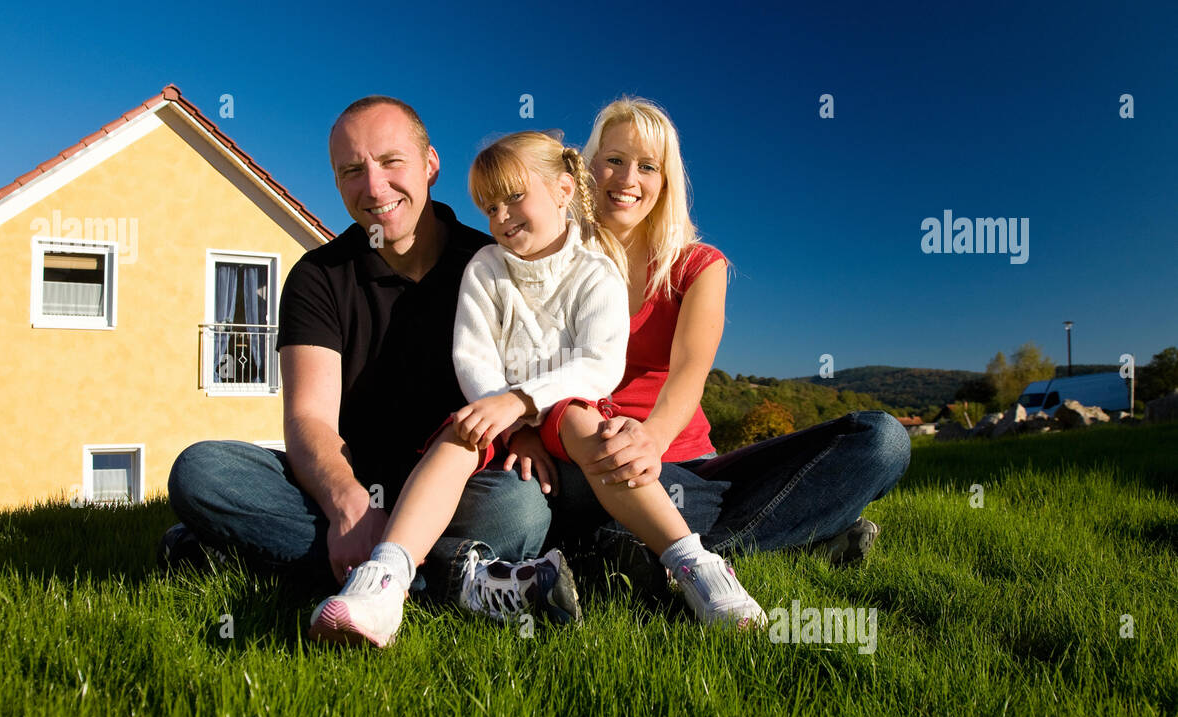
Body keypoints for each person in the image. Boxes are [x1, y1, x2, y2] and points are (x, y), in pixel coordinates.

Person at [306, 131, 769, 647]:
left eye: (514, 198)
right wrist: (502, 411)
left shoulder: (597, 272)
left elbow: (600, 363)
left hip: (564, 410)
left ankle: (694, 564)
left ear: (565, 190)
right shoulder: (485, 268)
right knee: (459, 435)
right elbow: (473, 355)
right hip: (496, 407)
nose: (502, 217)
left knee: (590, 428)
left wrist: (523, 402)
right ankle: (384, 581)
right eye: (490, 207)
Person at [462, 97, 912, 605]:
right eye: (613, 159)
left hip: (687, 466)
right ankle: (783, 538)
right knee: (588, 476)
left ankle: (639, 549)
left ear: (666, 180)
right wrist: (522, 429)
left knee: (882, 439)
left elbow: (689, 375)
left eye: (647, 166)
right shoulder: (550, 254)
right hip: (590, 459)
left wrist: (651, 440)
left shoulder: (698, 266)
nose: (628, 178)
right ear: (584, 171)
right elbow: (507, 352)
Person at [160, 97, 554, 604]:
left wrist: (524, 429)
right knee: (202, 471)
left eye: (391, 162)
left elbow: (534, 373)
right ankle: (455, 578)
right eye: (352, 170)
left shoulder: (491, 262)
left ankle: (309, 562)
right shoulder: (317, 276)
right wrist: (349, 505)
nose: (374, 188)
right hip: (346, 482)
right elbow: (308, 419)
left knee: (521, 509)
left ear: (430, 164)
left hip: (459, 487)